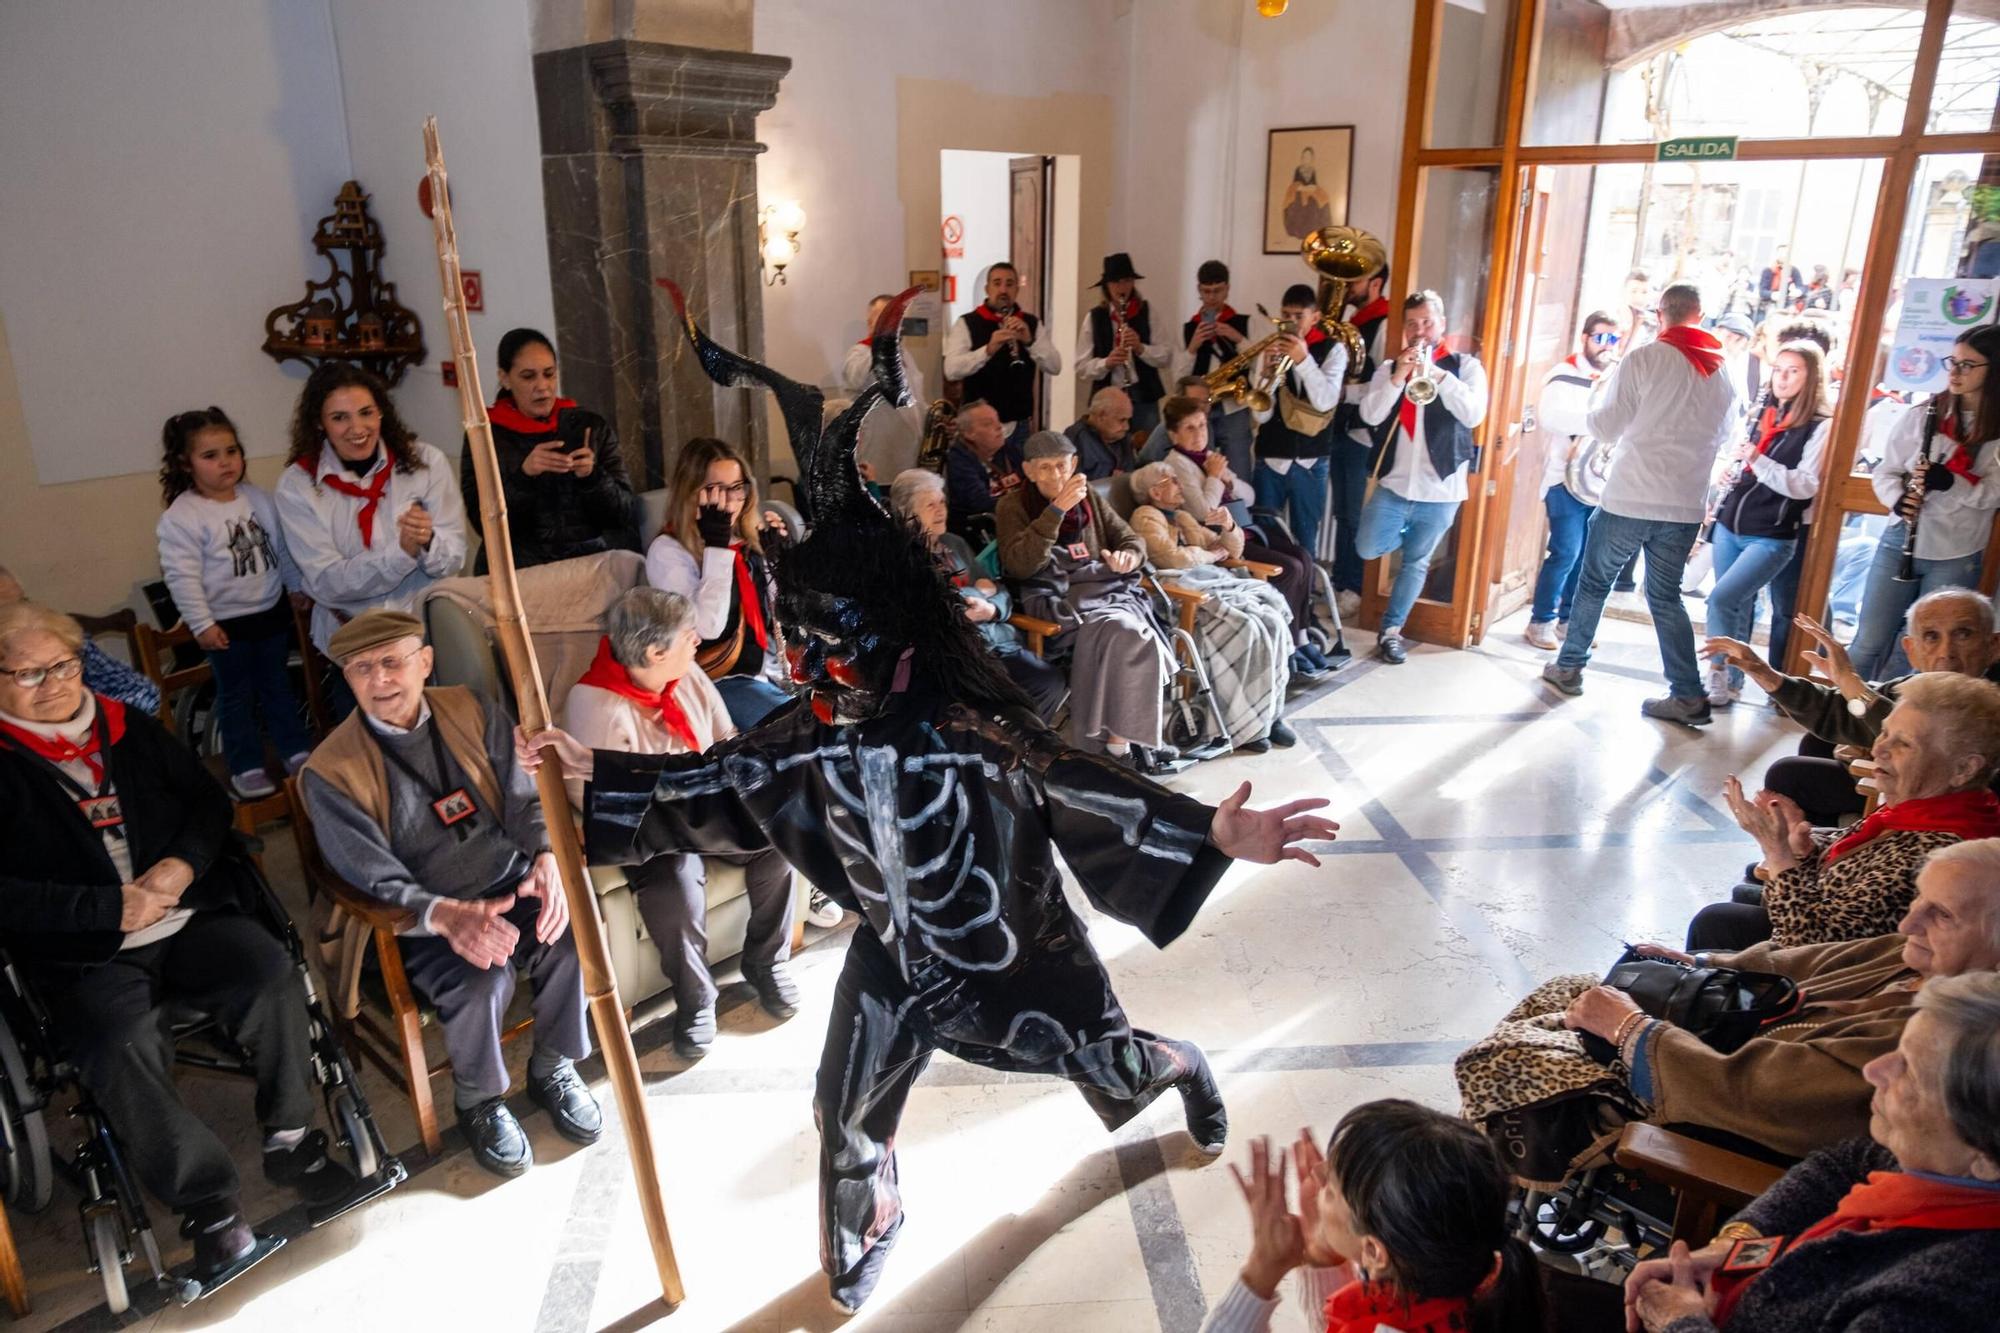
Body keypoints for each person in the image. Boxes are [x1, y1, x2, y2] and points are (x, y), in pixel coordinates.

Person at [521, 300, 1339, 1311]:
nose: (813, 665)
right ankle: (866, 1225)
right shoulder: (805, 732)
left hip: (1014, 955)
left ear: (897, 633)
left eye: (836, 643)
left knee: (1112, 1072)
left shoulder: (970, 728)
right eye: (802, 644)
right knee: (845, 1105)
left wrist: (1208, 828)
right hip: (895, 956)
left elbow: (1076, 779)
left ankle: (1181, 1064)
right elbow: (715, 781)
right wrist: (589, 770)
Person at [0, 603, 356, 1280]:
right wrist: (108, 905)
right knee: (116, 1038)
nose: (54, 683)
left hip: (186, 914)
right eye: (29, 673)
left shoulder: (126, 726)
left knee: (271, 971)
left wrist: (183, 864)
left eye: (66, 665)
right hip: (85, 951)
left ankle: (290, 1137)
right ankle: (208, 1200)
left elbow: (208, 802)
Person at [1456, 840, 2000, 1183]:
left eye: (1943, 915)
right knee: (1573, 989)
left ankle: (1462, 1190)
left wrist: (1629, 1030)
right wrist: (1699, 961)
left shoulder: (1953, 1035)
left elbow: (1768, 1094)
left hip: (1719, 1101)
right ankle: (1473, 1162)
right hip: (1722, 1036)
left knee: (1511, 1060)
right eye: (1916, 903)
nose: (1909, 924)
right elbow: (1796, 962)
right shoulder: (1916, 960)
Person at [298, 609, 599, 1178]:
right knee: (480, 979)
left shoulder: (470, 706)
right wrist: (442, 915)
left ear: (426, 662)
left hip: (510, 881)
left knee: (573, 936)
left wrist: (545, 856)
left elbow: (523, 796)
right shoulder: (330, 770)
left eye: (392, 662)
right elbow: (368, 875)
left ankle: (553, 1066)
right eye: (362, 668)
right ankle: (478, 1100)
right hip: (419, 914)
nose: (380, 680)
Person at [1622, 965, 2000, 1333]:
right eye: (1897, 1050)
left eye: (1911, 1074)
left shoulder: (1932, 1305)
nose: (1874, 1071)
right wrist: (1735, 1245)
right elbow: (1840, 1164)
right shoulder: (1944, 1178)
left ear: (1985, 1156)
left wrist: (1679, 1323)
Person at [561, 588, 797, 1060]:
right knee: (675, 878)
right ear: (654, 652)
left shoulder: (687, 672)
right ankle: (696, 999)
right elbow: (618, 797)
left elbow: (725, 735)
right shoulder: (595, 705)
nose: (698, 640)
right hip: (648, 826)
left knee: (777, 834)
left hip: (705, 800)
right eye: (688, 635)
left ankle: (765, 960)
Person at [1543, 283, 1739, 723]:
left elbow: (1609, 427)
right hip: (1685, 503)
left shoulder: (1645, 358)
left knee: (1595, 584)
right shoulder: (1725, 370)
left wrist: (1592, 408)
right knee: (1667, 598)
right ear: (1701, 314)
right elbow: (1728, 438)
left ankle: (1570, 667)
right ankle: (1688, 694)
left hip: (1630, 497)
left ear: (1661, 314)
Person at [1694, 673, 2000, 951]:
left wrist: (1778, 853)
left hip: (1831, 969)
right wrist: (1808, 846)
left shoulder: (1939, 854)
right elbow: (1863, 859)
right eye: (1884, 733)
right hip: (1823, 912)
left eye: (1904, 744)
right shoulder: (1930, 808)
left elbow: (1805, 942)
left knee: (1716, 922)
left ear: (1963, 768)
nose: (1879, 749)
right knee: (1739, 897)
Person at [1203, 1102, 1544, 1333]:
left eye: (1332, 1188)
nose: (1318, 1173)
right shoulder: (1489, 1281)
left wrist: (1262, 1268)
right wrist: (1321, 1254)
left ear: (1374, 1253)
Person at [1708, 592, 2000, 824]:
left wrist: (1852, 684)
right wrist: (1764, 673)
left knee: (1789, 776)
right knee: (1819, 741)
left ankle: (1823, 856)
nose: (1946, 652)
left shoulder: (1989, 702)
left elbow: (1927, 747)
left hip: (1944, 815)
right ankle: (1817, 849)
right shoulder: (1919, 685)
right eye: (1932, 636)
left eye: (1964, 634)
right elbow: (1836, 709)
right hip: (1904, 789)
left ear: (1993, 645)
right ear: (1911, 648)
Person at [154, 407, 314, 799]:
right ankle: (246, 764)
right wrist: (201, 623)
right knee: (236, 696)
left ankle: (295, 750)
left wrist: (294, 586)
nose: (225, 462)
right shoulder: (183, 517)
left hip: (270, 615)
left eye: (231, 451)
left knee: (278, 687)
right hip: (226, 625)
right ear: (185, 463)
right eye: (210, 456)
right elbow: (181, 577)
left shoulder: (258, 499)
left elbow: (283, 550)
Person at [999, 431, 1179, 770]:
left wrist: (1127, 556)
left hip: (1106, 593)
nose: (1056, 475)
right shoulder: (1012, 505)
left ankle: (1117, 747)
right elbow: (1020, 565)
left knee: (1127, 635)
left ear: (1075, 465)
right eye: (1046, 467)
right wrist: (1055, 511)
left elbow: (1130, 538)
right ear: (1029, 471)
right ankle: (1122, 747)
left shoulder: (1091, 499)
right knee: (1130, 636)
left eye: (1062, 466)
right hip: (1058, 603)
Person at [275, 363, 469, 675]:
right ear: (319, 423)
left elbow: (453, 561)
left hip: (428, 638)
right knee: (361, 724)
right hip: (354, 644)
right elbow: (326, 582)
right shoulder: (298, 485)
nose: (357, 428)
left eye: (366, 412)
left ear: (381, 412)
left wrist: (428, 540)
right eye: (340, 418)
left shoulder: (425, 462)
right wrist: (402, 554)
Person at [1848, 323, 2000, 681]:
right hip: (1900, 542)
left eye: (1968, 365)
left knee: (1922, 654)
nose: (1955, 372)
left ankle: (1903, 729)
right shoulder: (1924, 415)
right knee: (1869, 640)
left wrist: (1952, 483)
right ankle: (1838, 724)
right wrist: (1899, 501)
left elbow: (1994, 494)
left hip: (1956, 553)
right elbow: (1886, 471)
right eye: (1954, 361)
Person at [1155, 394, 1330, 679]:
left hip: (1241, 526)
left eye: (1202, 425)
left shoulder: (1209, 458)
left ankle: (1301, 637)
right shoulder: (1177, 464)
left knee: (1304, 558)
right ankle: (1283, 647)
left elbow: (1248, 496)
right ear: (1174, 434)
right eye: (1190, 428)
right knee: (1289, 569)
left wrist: (1228, 481)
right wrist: (1214, 477)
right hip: (1217, 538)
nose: (1200, 433)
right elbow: (1203, 513)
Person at [1356, 290, 1488, 665]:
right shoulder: (1388, 368)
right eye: (1412, 324)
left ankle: (1391, 631)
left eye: (1427, 322)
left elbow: (1474, 414)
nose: (1420, 331)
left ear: (1442, 325)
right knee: (1367, 547)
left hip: (1442, 489)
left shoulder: (1466, 367)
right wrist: (1399, 376)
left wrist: (1440, 376)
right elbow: (1370, 415)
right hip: (1395, 487)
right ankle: (1403, 531)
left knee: (1416, 563)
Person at [1128, 460, 1296, 752]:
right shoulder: (1145, 517)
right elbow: (1172, 559)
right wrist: (1209, 555)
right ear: (1155, 492)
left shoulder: (1181, 516)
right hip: (1177, 597)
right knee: (1246, 627)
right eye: (1172, 480)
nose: (1180, 483)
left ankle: (1272, 713)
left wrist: (1229, 526)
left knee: (1271, 620)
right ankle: (1247, 728)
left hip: (1208, 586)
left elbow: (1231, 550)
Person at [1702, 340, 1833, 708]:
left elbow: (1804, 485)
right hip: (1732, 524)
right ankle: (1731, 681)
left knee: (1722, 599)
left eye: (1794, 371)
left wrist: (1758, 461)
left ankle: (1717, 671)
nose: (1783, 378)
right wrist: (1733, 469)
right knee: (1738, 607)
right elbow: (1741, 460)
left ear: (1812, 377)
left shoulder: (1820, 426)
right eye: (1778, 369)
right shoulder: (1765, 413)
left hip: (1772, 534)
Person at [889, 468, 1067, 721]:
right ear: (907, 512)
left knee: (1049, 681)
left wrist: (991, 609)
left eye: (942, 502)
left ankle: (1022, 753)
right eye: (930, 505)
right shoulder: (902, 556)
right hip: (956, 655)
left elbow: (1000, 591)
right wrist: (979, 592)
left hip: (995, 643)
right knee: (996, 701)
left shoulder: (954, 543)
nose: (941, 511)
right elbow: (938, 606)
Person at [459, 328, 639, 574]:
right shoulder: (486, 437)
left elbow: (625, 514)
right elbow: (484, 525)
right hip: (522, 572)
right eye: (528, 377)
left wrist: (593, 477)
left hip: (590, 568)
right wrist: (525, 475)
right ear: (505, 378)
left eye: (549, 374)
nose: (542, 387)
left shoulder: (590, 426)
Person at [644, 436, 791, 731]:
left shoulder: (747, 543)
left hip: (772, 672)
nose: (728, 500)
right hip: (718, 679)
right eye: (715, 489)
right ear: (690, 492)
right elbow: (706, 627)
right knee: (793, 729)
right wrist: (717, 548)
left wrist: (781, 563)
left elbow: (785, 620)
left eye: (736, 488)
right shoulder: (667, 550)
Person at [1525, 311, 1619, 650]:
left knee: (1585, 558)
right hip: (1563, 480)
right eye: (1600, 337)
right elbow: (1550, 417)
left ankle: (1569, 621)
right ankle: (1540, 621)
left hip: (1597, 483)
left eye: (1613, 339)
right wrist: (1594, 423)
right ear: (1584, 338)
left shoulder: (1614, 376)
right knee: (1565, 551)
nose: (1606, 345)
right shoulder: (1564, 374)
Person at [1251, 283, 1349, 568]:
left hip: (1311, 459)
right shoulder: (1270, 348)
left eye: (1298, 316)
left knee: (1307, 537)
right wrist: (1266, 373)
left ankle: (1303, 602)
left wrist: (1303, 360)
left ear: (1315, 317)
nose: (1290, 323)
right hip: (1270, 457)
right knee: (1264, 536)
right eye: (1285, 315)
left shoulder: (1333, 350)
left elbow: (1325, 401)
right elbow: (1261, 416)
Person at [0, 567, 159, 714]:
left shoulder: (61, 640)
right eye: (5, 612)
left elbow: (143, 693)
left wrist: (90, 721)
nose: (21, 615)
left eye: (22, 602)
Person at [942, 262, 1061, 447]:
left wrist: (1030, 342)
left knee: (1018, 476)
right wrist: (987, 350)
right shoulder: (966, 323)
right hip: (978, 426)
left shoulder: (1031, 323)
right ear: (987, 288)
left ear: (1017, 289)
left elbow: (1055, 366)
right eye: (997, 283)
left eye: (1010, 284)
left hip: (1019, 423)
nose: (1003, 289)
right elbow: (951, 370)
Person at [1333, 261, 1394, 614]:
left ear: (1375, 284)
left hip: (1362, 432)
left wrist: (1347, 393)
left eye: (1353, 279)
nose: (1346, 285)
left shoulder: (1384, 323)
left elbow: (1381, 380)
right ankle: (1340, 583)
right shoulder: (1349, 322)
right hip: (1340, 427)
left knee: (1354, 514)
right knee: (1343, 514)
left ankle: (1354, 586)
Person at [1076, 253, 1173, 438]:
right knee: (1109, 451)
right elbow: (1081, 367)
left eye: (1127, 281)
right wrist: (1107, 363)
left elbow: (1166, 355)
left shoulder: (1147, 311)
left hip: (1143, 397)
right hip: (1108, 399)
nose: (1122, 287)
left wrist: (1140, 348)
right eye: (1116, 282)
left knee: (1147, 451)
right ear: (1106, 286)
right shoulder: (1095, 317)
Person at [1177, 260, 1255, 478]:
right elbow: (1179, 376)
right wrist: (1193, 346)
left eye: (1217, 291)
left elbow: (1259, 364)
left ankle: (1238, 509)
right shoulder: (1189, 327)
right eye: (1206, 291)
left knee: (1238, 468)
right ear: (1199, 290)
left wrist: (1237, 337)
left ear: (1227, 289)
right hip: (1199, 408)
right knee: (1200, 467)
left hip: (1234, 405)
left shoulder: (1244, 322)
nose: (1211, 297)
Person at [841, 292, 927, 478]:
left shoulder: (905, 354)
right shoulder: (859, 353)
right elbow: (856, 378)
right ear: (871, 323)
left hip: (908, 455)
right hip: (878, 459)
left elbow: (916, 399)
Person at [942, 399, 1026, 541]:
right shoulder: (958, 461)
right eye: (988, 424)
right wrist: (1025, 503)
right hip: (978, 534)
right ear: (969, 433)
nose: (999, 426)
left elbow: (1031, 480)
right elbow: (979, 504)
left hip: (1014, 526)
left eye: (998, 420)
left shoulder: (1010, 451)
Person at [1066, 386, 1138, 480]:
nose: (1127, 427)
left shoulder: (1123, 438)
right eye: (1122, 420)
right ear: (1101, 416)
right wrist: (1108, 482)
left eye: (1128, 420)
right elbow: (1072, 484)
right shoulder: (1075, 439)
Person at [1759, 246, 1805, 317]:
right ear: (1777, 254)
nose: (1783, 255)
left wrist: (1797, 291)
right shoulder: (1768, 270)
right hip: (1770, 303)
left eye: (1786, 253)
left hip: (1788, 303)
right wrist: (1773, 295)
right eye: (1781, 253)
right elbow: (1762, 291)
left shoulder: (1794, 270)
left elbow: (1801, 287)